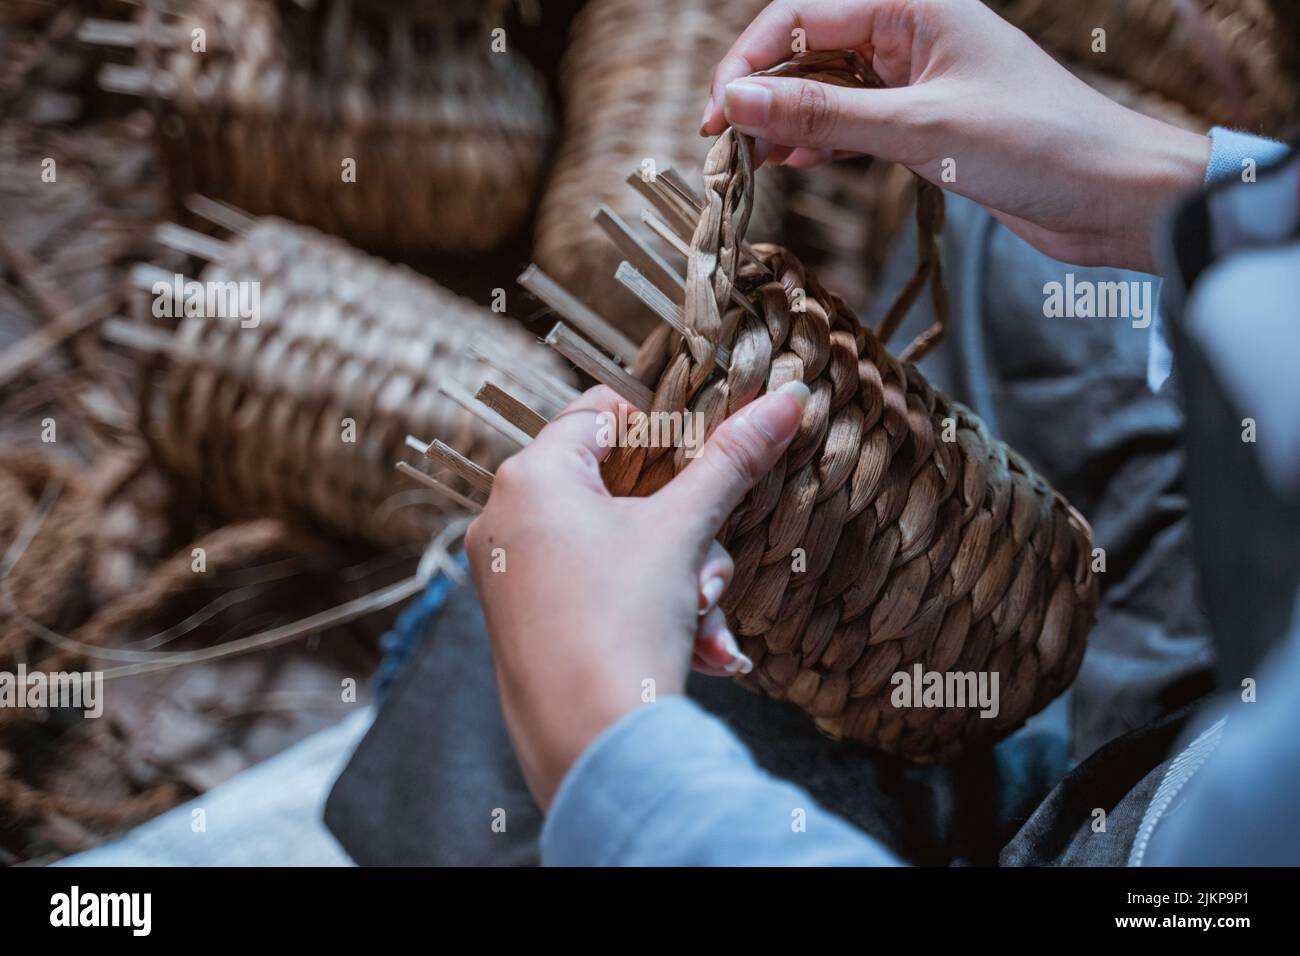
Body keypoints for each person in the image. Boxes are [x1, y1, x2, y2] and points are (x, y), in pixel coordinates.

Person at [464, 0, 1299, 866]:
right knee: (987, 223)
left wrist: (603, 743)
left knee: (496, 635)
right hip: (1257, 650)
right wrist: (1162, 185)